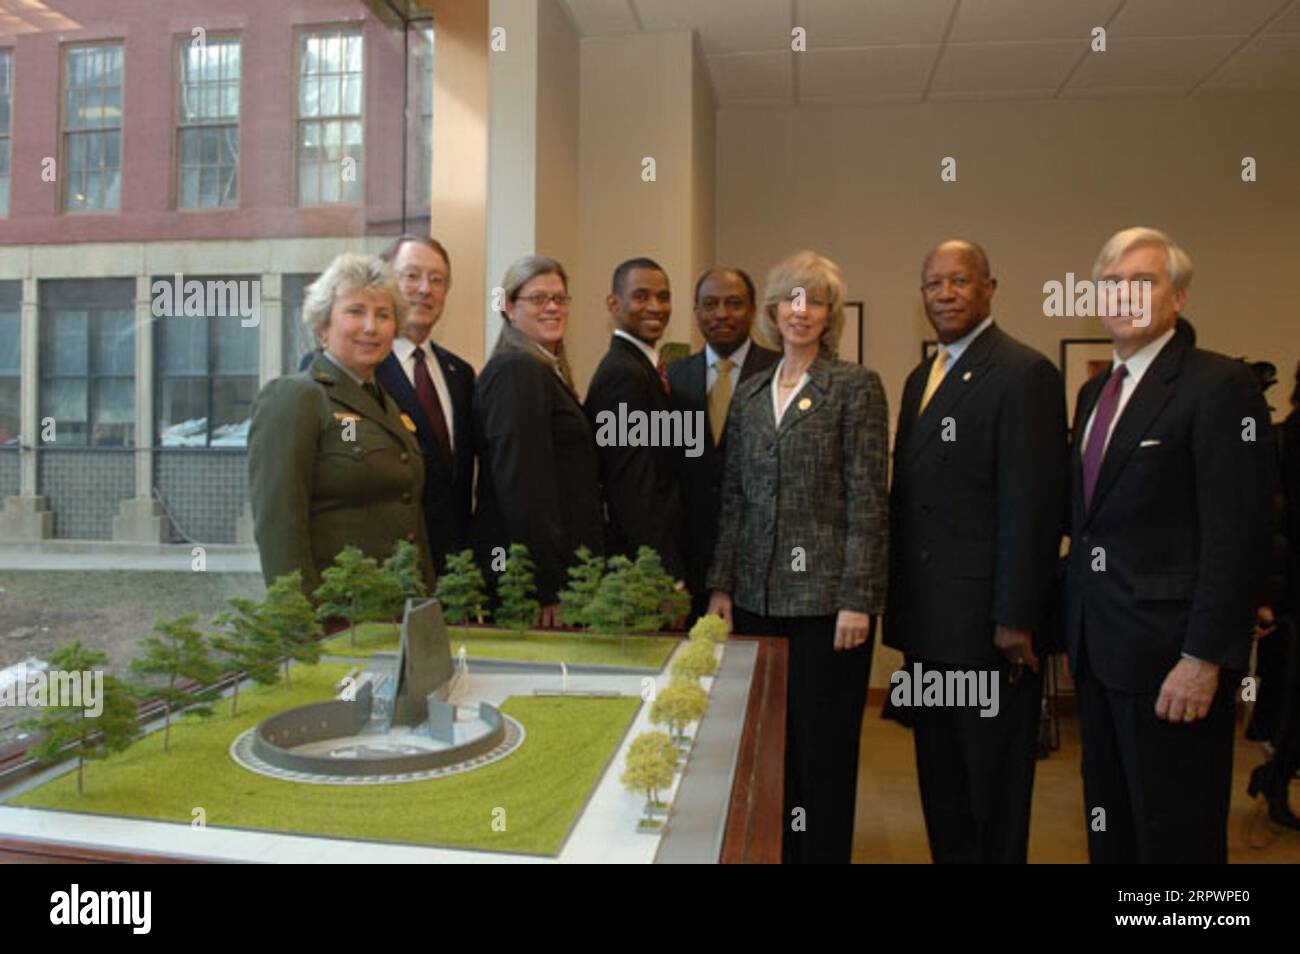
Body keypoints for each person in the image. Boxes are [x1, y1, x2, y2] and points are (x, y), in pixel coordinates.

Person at [1063, 227, 1274, 863]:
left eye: (1143, 281)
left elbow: (1237, 535)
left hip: (1171, 662)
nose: (1124, 295)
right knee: (1112, 826)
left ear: (1178, 298)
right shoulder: (1095, 392)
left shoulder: (1219, 387)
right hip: (1098, 652)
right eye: (1112, 283)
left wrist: (1203, 658)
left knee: (1175, 839)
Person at [884, 239, 1068, 863]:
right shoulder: (920, 379)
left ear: (990, 287)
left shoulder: (1024, 372)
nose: (944, 294)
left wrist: (1016, 615)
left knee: (991, 789)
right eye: (933, 284)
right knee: (942, 782)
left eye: (959, 281)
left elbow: (1033, 505)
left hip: (988, 630)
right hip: (930, 627)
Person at [706, 250, 889, 864]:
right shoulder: (754, 392)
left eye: (814, 300)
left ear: (830, 314)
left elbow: (869, 497)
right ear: (773, 311)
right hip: (755, 603)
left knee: (823, 755)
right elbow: (734, 497)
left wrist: (858, 598)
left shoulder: (855, 387)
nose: (801, 310)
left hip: (826, 610)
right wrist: (721, 588)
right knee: (767, 749)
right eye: (790, 298)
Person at [249, 252, 434, 594]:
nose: (370, 327)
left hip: (397, 609)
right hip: (338, 617)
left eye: (383, 315)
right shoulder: (296, 397)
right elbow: (279, 528)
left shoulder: (387, 404)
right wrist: (301, 625)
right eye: (355, 311)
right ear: (323, 325)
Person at [297, 234, 475, 571]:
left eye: (436, 280)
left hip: (446, 575)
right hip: (366, 578)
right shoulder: (338, 375)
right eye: (411, 275)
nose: (425, 288)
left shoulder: (461, 374)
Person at [472, 256, 603, 627]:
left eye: (560, 299)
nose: (552, 307)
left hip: (560, 575)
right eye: (538, 298)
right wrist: (548, 584)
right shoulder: (515, 371)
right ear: (510, 308)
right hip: (535, 585)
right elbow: (524, 487)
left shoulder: (546, 370)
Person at [668, 267, 780, 620]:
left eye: (734, 303)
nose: (721, 314)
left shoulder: (780, 373)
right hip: (689, 562)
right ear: (697, 312)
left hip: (760, 564)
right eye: (710, 304)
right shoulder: (672, 378)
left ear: (752, 309)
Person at [584, 258, 686, 582]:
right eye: (641, 296)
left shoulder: (646, 368)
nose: (655, 307)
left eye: (663, 297)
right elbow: (632, 486)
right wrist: (663, 573)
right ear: (614, 304)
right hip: (640, 569)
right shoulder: (623, 374)